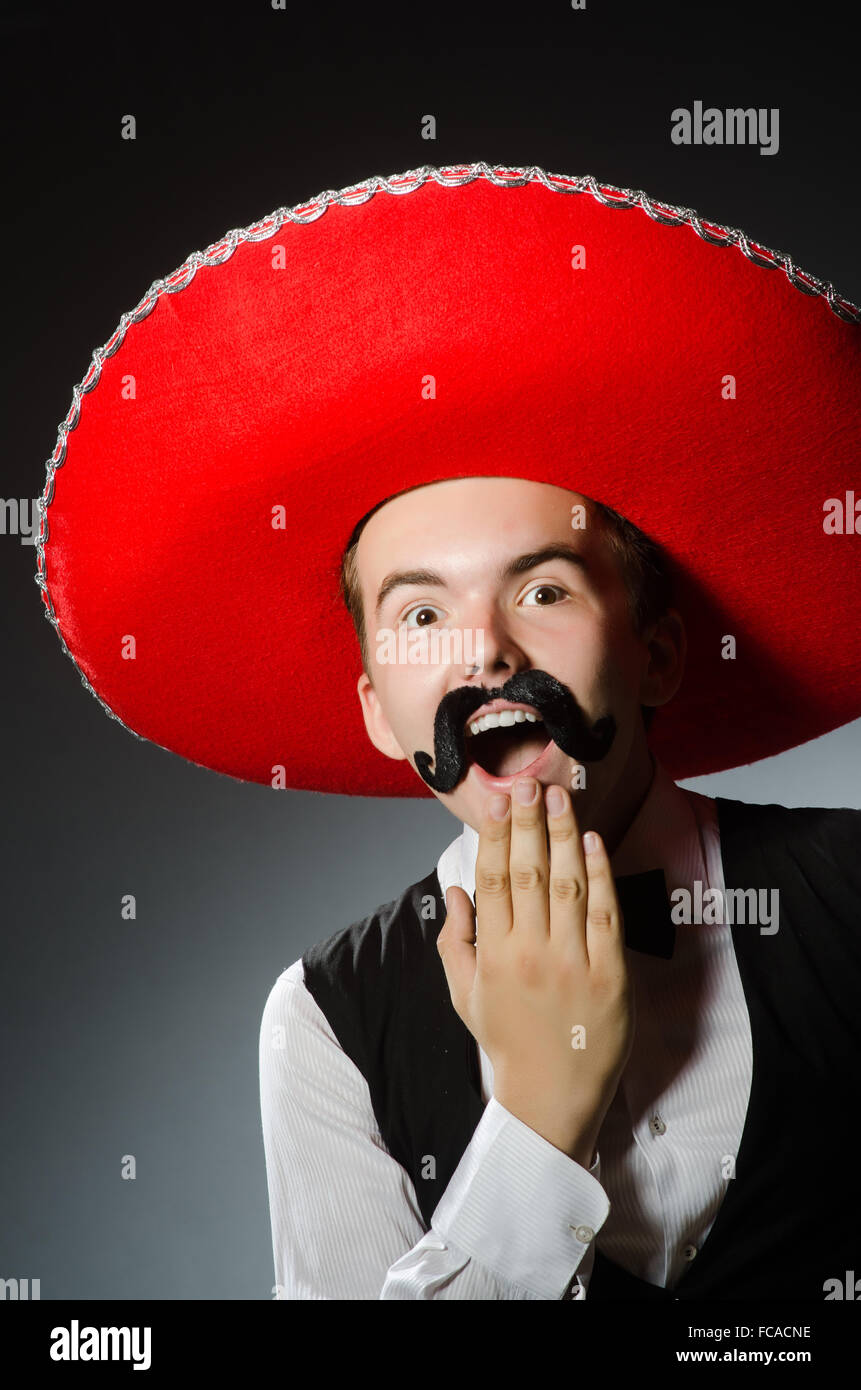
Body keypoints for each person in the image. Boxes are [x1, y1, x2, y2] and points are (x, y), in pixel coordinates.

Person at [35, 164, 861, 1300]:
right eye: (421, 615)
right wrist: (536, 1112)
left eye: (543, 591)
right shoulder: (327, 1023)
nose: (485, 655)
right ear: (378, 709)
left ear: (658, 654)